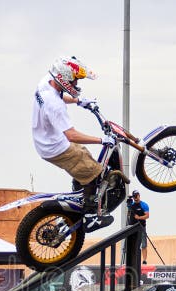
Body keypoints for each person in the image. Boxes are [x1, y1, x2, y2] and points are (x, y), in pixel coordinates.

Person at [33, 55, 115, 232]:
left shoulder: (46, 82)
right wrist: (102, 140)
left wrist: (79, 101)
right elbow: (72, 135)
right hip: (55, 147)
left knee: (85, 158)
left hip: (46, 139)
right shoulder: (55, 105)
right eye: (75, 80)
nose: (77, 84)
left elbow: (60, 96)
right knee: (94, 172)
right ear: (64, 78)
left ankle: (79, 194)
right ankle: (91, 217)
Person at [128, 190, 150, 264]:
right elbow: (128, 214)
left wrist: (139, 217)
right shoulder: (132, 205)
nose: (135, 198)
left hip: (141, 227)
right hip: (132, 228)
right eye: (134, 196)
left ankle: (144, 260)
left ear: (139, 195)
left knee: (144, 244)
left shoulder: (144, 205)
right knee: (134, 245)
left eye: (136, 196)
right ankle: (134, 260)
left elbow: (147, 216)